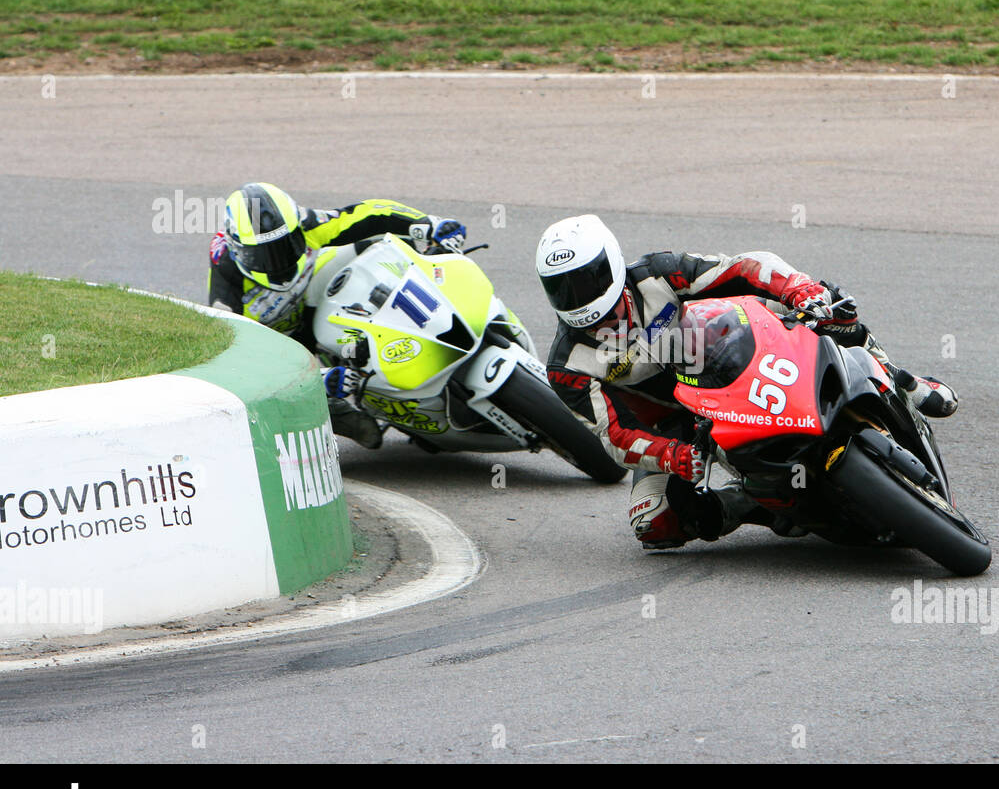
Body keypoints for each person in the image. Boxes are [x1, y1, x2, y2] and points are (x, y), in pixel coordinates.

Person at [536, 213, 958, 549]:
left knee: (833, 308)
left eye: (586, 280)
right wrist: (672, 456)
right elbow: (615, 435)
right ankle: (763, 506)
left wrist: (801, 290)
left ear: (610, 262)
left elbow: (744, 267)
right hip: (676, 423)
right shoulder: (566, 365)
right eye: (563, 290)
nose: (579, 297)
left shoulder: (657, 273)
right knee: (653, 522)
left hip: (728, 358)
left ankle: (904, 382)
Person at [207, 181, 467, 449]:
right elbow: (239, 363)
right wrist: (318, 381)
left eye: (286, 244)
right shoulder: (227, 288)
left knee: (374, 244)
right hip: (279, 343)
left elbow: (369, 214)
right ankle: (332, 411)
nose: (277, 262)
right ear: (237, 249)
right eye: (262, 254)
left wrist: (429, 225)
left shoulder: (309, 224)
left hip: (312, 297)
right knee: (269, 394)